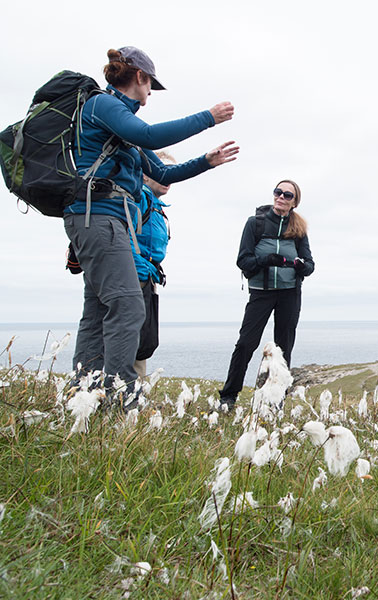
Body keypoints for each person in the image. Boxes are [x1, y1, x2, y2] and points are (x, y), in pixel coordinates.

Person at [63, 46, 238, 409]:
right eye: (150, 86)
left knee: (98, 311)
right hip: (99, 218)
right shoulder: (104, 105)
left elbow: (161, 173)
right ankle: (120, 402)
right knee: (128, 308)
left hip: (101, 220)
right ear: (140, 77)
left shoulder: (119, 126)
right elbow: (152, 137)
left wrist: (207, 161)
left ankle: (84, 397)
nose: (149, 95)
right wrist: (208, 117)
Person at [219, 180, 315, 411]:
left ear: (294, 202)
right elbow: (243, 261)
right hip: (261, 293)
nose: (281, 197)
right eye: (278, 192)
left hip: (290, 294)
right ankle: (228, 397)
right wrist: (267, 260)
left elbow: (310, 264)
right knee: (245, 344)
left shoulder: (299, 229)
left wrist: (302, 267)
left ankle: (276, 402)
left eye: (287, 195)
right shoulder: (255, 224)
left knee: (283, 350)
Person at [133, 151, 176, 379]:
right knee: (134, 335)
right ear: (145, 174)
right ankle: (126, 392)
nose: (168, 178)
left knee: (145, 336)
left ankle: (133, 391)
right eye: (161, 172)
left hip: (148, 276)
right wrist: (138, 266)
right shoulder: (137, 197)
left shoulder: (157, 206)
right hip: (134, 275)